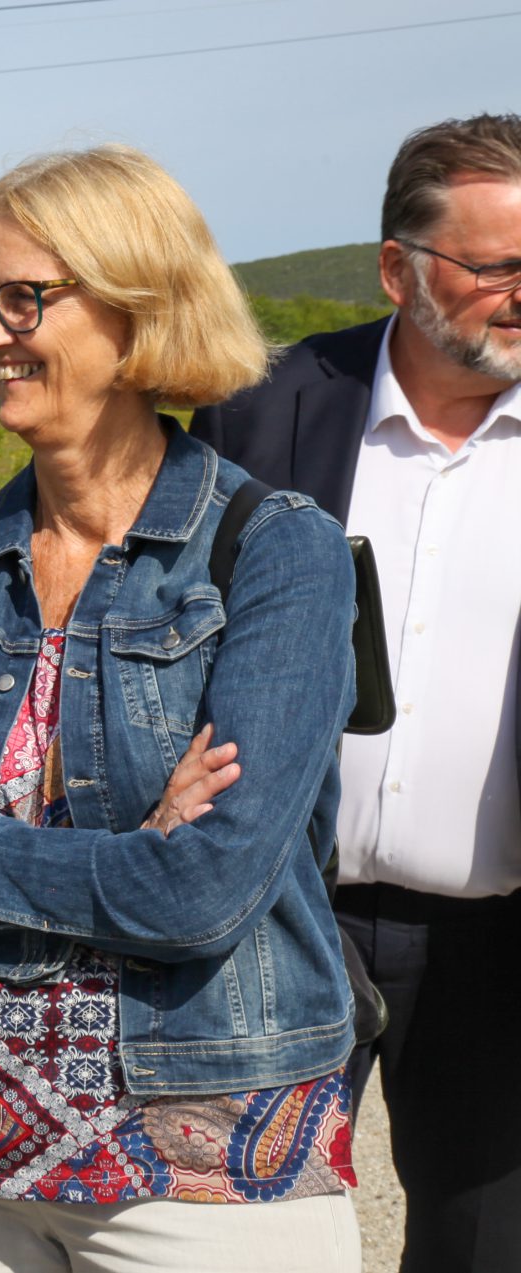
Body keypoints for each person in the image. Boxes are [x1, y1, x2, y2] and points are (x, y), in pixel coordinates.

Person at [0, 145, 366, 1270]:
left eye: (23, 298)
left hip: (198, 1166)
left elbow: (202, 894)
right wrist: (118, 876)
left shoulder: (275, 551)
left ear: (139, 306)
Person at [191, 114, 521, 1272]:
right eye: (495, 267)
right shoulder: (260, 410)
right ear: (398, 267)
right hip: (281, 919)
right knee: (240, 1230)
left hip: (500, 946)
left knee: (486, 1239)